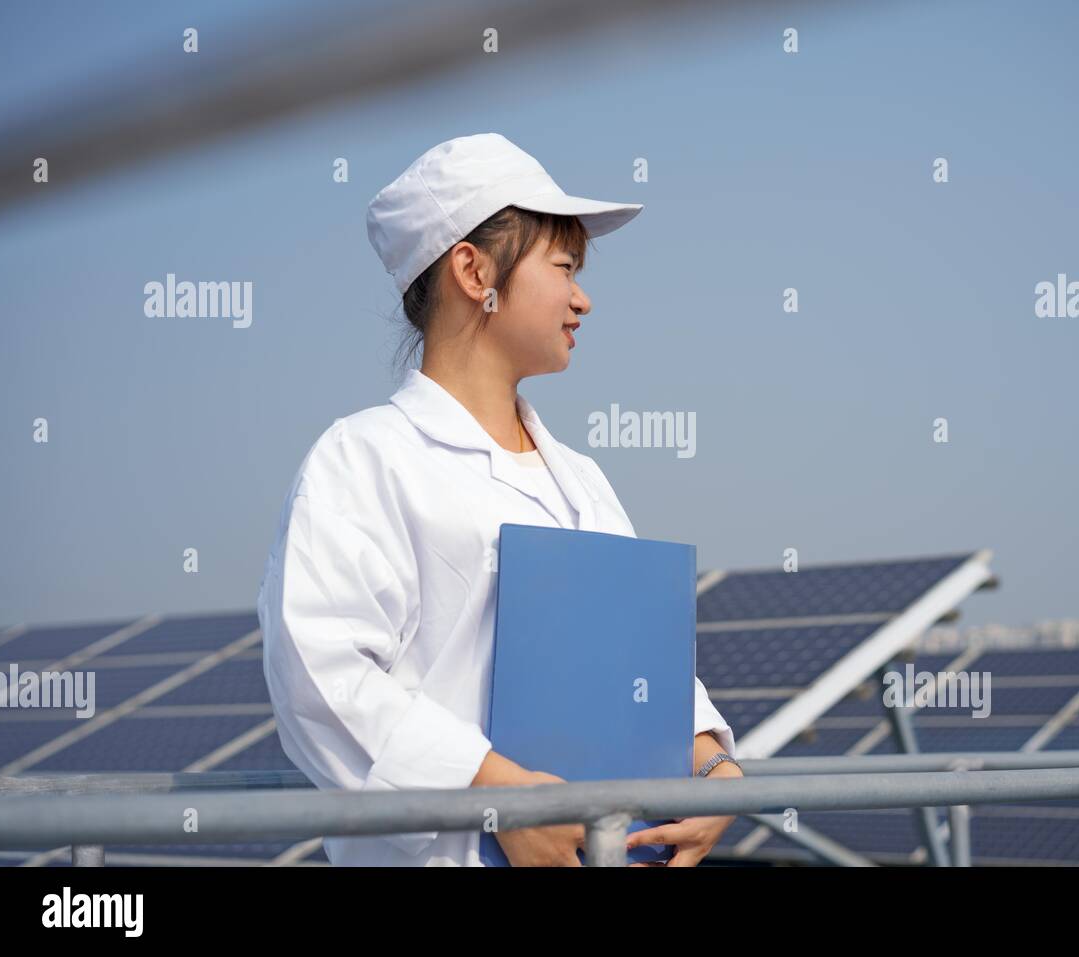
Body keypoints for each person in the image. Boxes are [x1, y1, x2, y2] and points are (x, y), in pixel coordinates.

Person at [257, 133, 741, 867]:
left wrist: (712, 771)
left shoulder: (582, 479)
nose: (583, 297)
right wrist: (498, 796)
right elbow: (322, 683)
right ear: (473, 268)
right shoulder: (364, 459)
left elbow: (642, 663)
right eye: (563, 267)